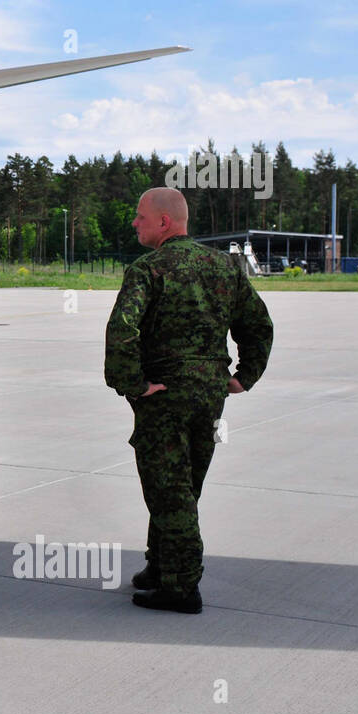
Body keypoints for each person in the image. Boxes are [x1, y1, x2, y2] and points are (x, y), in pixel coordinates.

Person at [105, 187, 273, 614]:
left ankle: (181, 587)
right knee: (182, 486)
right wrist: (242, 376)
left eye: (140, 216)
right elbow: (258, 324)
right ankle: (160, 566)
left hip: (166, 396)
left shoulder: (149, 269)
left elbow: (122, 330)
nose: (134, 223)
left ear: (164, 222)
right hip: (208, 395)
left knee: (169, 490)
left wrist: (133, 384)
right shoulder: (224, 267)